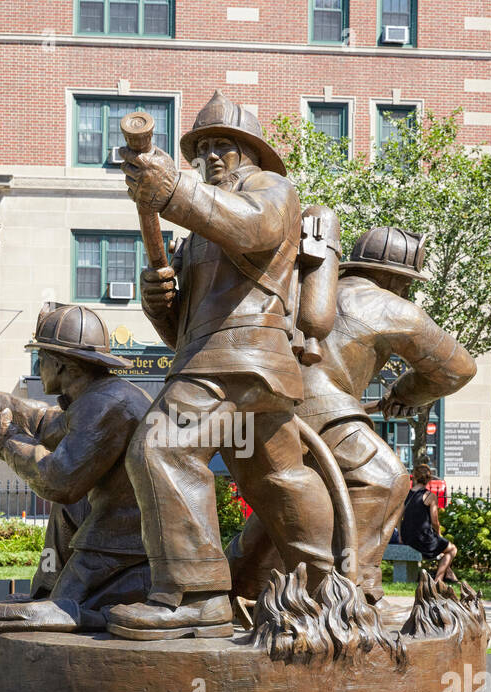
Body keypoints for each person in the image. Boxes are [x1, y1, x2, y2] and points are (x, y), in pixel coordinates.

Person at [106, 90, 336, 641]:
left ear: (250, 152)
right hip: (229, 364)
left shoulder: (269, 189)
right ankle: (330, 586)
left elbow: (252, 228)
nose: (211, 157)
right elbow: (183, 331)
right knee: (277, 476)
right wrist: (159, 299)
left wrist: (174, 190)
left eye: (225, 147)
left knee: (161, 447)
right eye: (202, 147)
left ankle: (198, 595)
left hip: (236, 362)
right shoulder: (197, 233)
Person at [225, 226, 476, 605]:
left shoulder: (302, 289)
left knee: (293, 506)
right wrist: (406, 392)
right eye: (408, 285)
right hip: (312, 406)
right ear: (396, 279)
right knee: (383, 478)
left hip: (248, 411)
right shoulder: (386, 303)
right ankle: (347, 594)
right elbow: (458, 368)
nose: (408, 294)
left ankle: (231, 587)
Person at [0, 304, 154, 679]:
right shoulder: (97, 396)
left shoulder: (107, 404)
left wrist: (5, 439)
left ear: (61, 365)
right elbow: (46, 422)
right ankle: (49, 595)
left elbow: (61, 481)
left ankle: (78, 607)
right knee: (58, 559)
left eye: (41, 358)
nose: (38, 368)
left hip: (121, 545)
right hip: (111, 532)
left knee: (39, 615)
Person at [399, 464, 458, 584]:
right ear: (429, 479)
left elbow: (398, 517)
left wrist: (400, 535)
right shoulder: (430, 496)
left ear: (414, 477)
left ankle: (449, 575)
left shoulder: (406, 495)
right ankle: (438, 580)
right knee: (452, 549)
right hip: (423, 538)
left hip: (407, 537)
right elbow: (435, 521)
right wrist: (439, 534)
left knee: (442, 550)